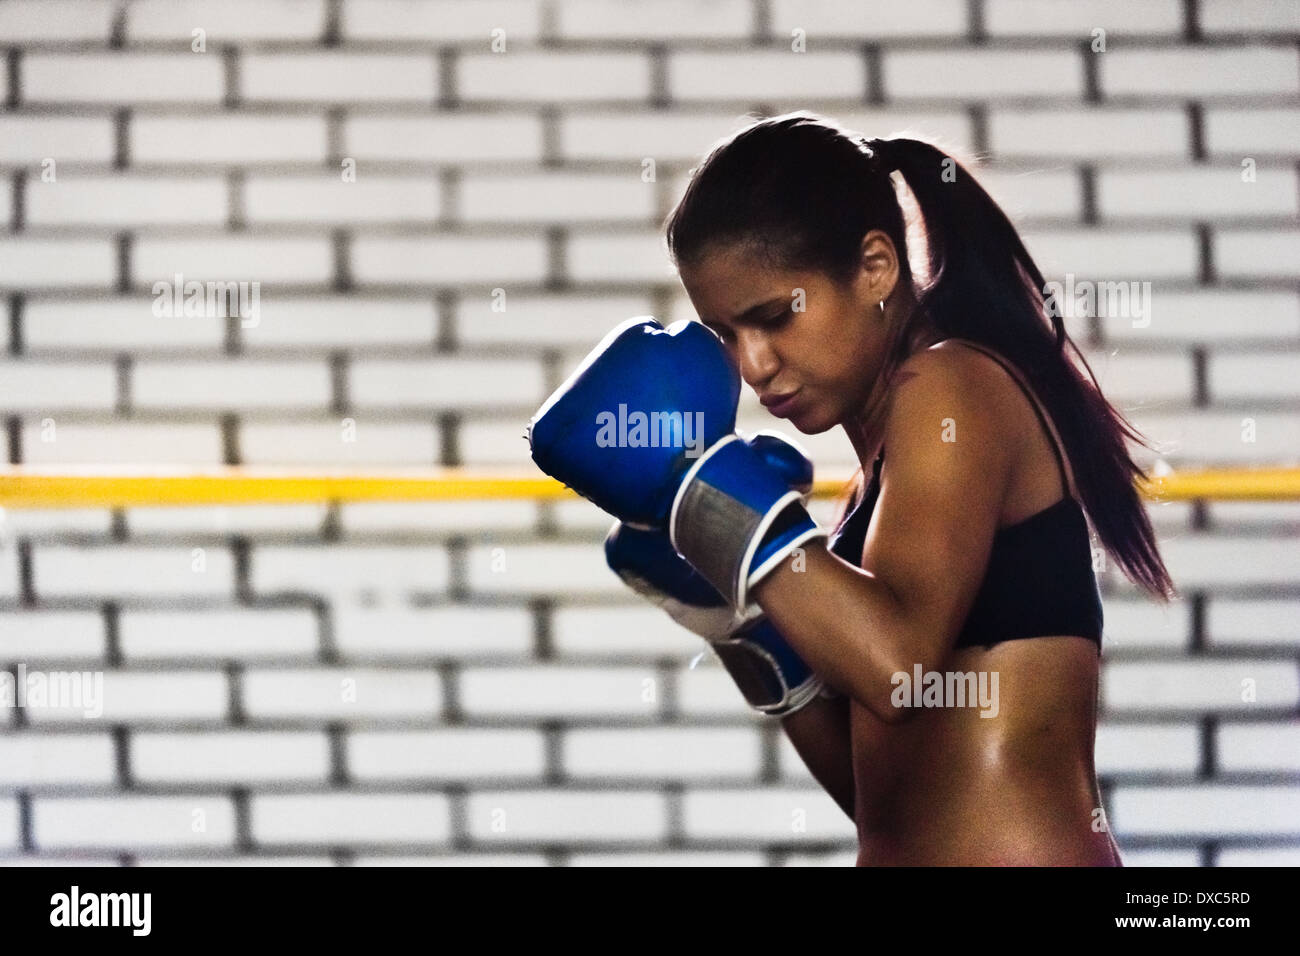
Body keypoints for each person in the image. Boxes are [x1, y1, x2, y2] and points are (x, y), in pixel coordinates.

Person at [529, 111, 1176, 866]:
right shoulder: (873, 484)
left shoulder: (952, 386)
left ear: (875, 267)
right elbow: (890, 806)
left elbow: (897, 671)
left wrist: (712, 498)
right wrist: (751, 633)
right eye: (728, 336)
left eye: (772, 318)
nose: (754, 365)